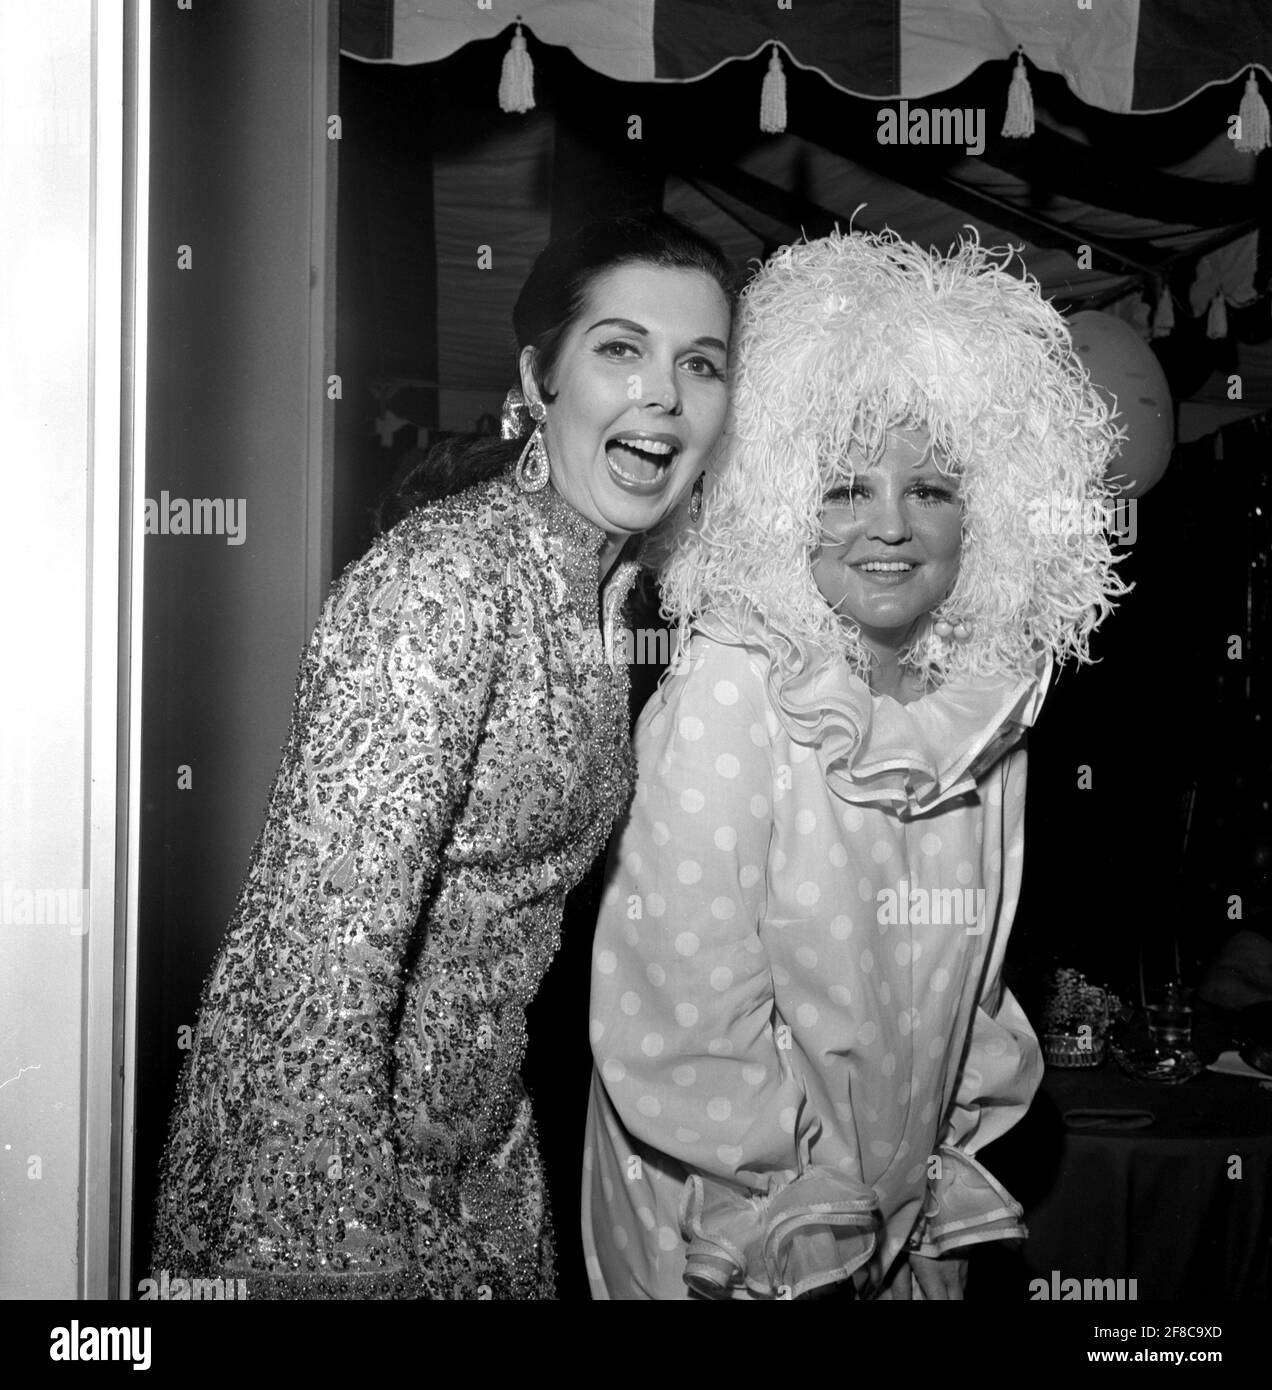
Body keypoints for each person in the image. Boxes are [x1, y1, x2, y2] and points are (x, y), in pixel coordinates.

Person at [149, 210, 735, 1299]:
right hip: (329, 1184)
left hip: (481, 1165)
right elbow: (315, 988)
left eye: (699, 364)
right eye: (621, 348)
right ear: (538, 379)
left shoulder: (602, 600)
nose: (663, 393)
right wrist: (340, 1260)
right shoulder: (444, 584)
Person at [581, 229, 1130, 1300]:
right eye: (843, 488)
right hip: (736, 1230)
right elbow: (680, 1015)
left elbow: (969, 987)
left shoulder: (985, 706)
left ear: (989, 514)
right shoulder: (731, 689)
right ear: (780, 499)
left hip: (899, 1217)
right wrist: (808, 1205)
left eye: (930, 489)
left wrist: (920, 1176)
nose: (891, 526)